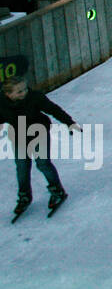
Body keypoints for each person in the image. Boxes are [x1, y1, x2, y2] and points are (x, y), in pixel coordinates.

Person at [1, 76, 80, 218]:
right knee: (22, 167)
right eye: (19, 92)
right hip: (19, 135)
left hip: (39, 133)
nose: (24, 93)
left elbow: (53, 109)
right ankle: (24, 196)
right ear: (8, 94)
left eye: (25, 89)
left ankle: (57, 191)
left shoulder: (35, 97)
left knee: (43, 163)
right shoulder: (2, 103)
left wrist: (69, 122)